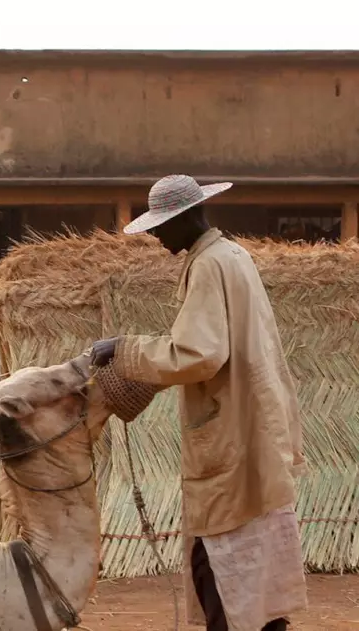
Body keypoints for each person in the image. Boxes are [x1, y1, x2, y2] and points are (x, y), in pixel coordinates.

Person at [90, 174, 307, 631]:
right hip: (252, 428)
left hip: (232, 434)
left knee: (219, 568)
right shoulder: (234, 256)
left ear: (189, 216)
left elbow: (200, 354)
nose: (155, 235)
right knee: (256, 571)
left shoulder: (209, 265)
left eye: (162, 225)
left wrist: (126, 349)